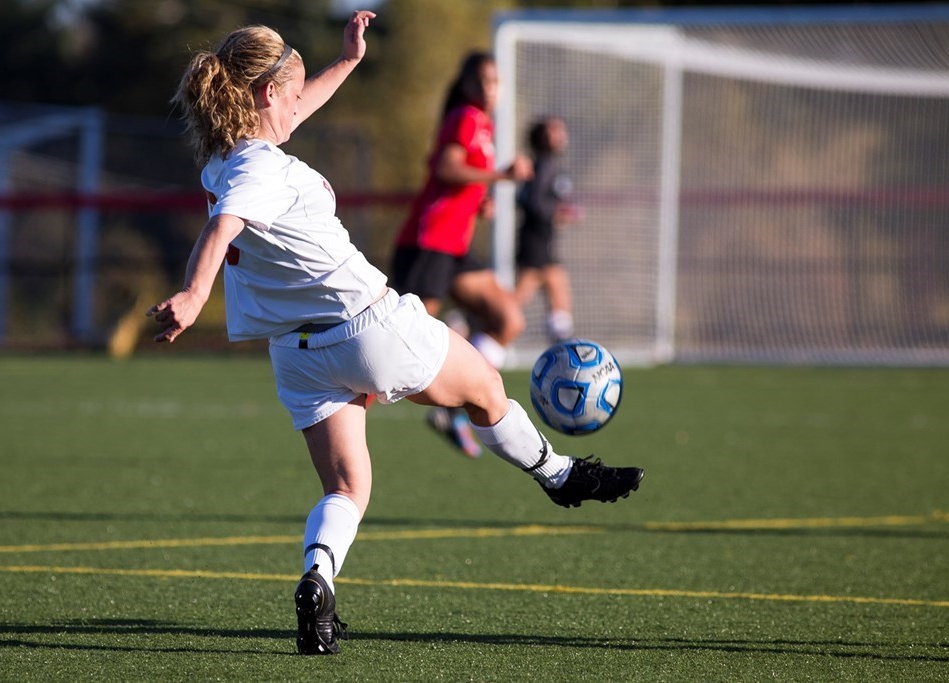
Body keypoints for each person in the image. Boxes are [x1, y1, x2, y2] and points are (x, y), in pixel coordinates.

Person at [149, 13, 644, 657]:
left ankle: (318, 579)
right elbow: (223, 229)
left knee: (347, 489)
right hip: (370, 329)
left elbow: (276, 136)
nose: (302, 103)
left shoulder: (225, 158)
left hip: (298, 356)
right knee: (487, 390)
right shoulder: (259, 170)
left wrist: (348, 62)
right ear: (269, 94)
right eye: (294, 92)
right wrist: (194, 294)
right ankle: (559, 475)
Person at [390, 50, 531, 458]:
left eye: (494, 81)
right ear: (467, 85)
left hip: (454, 247)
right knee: (403, 340)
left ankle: (456, 409)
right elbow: (448, 169)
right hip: (429, 242)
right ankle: (343, 403)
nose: (489, 89)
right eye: (482, 81)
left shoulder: (481, 124)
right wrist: (501, 177)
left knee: (508, 318)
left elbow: (458, 177)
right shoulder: (465, 116)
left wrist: (479, 199)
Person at [515, 117, 581, 342]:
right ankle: (473, 325)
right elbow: (532, 202)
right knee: (515, 302)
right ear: (544, 138)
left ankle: (563, 348)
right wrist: (557, 212)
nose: (562, 135)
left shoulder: (547, 164)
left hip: (543, 242)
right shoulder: (544, 165)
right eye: (555, 131)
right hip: (535, 243)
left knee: (559, 293)